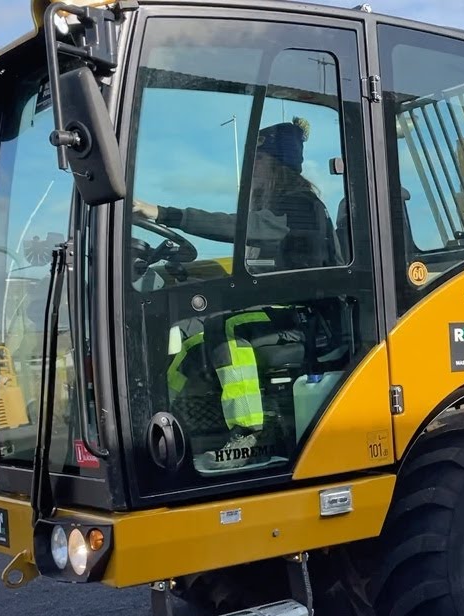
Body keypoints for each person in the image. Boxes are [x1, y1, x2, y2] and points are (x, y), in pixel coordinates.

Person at [134, 117, 338, 472]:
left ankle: (251, 434)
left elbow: (241, 227)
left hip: (309, 317)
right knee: (191, 345)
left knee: (222, 329)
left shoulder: (300, 205)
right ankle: (161, 426)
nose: (252, 170)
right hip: (286, 309)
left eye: (258, 162)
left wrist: (165, 213)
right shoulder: (281, 206)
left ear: (278, 166)